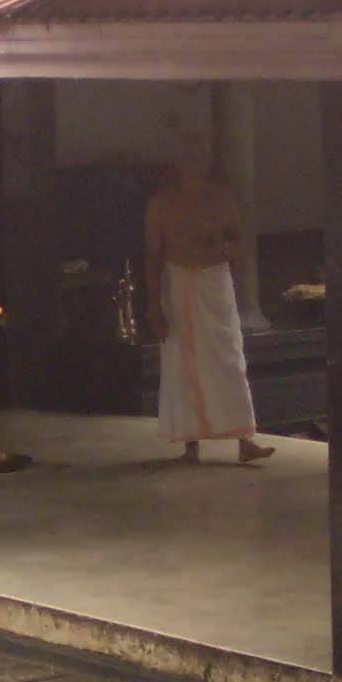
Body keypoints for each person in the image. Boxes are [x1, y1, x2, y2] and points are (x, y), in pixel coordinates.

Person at [144, 129, 274, 465]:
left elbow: (239, 240)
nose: (194, 164)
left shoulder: (221, 198)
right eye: (187, 157)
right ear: (176, 163)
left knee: (228, 355)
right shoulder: (161, 204)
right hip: (178, 282)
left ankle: (244, 440)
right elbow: (153, 256)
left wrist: (221, 250)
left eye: (199, 157)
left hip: (215, 281)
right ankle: (191, 445)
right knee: (183, 362)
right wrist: (153, 305)